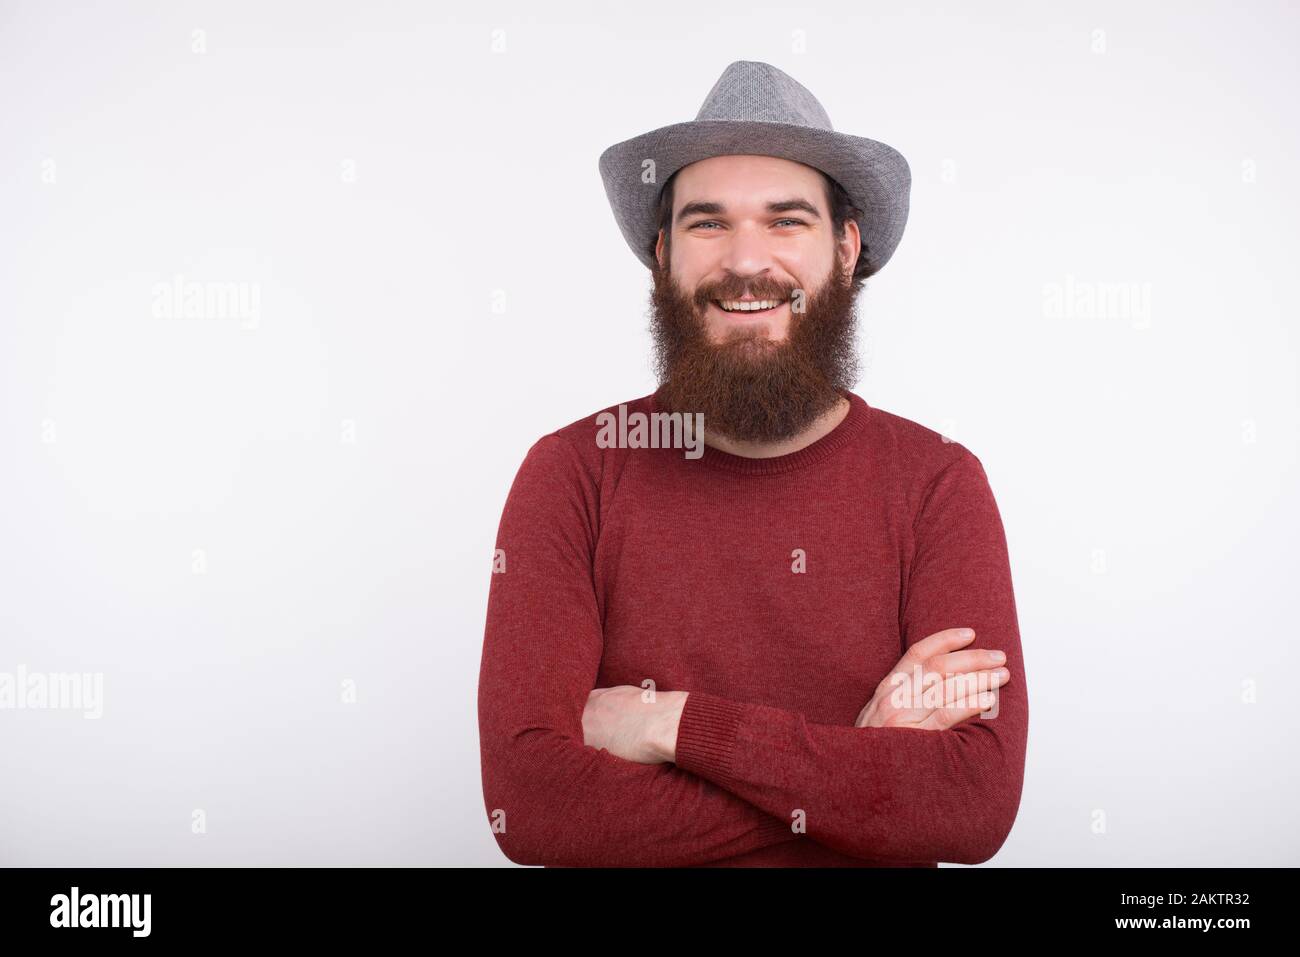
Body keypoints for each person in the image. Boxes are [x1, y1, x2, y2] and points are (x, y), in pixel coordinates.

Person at [477, 60, 1027, 867]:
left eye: (786, 221)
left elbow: (970, 803)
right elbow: (526, 806)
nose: (744, 261)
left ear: (845, 249)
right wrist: (855, 763)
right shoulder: (573, 476)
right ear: (663, 254)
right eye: (707, 223)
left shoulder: (938, 484)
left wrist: (672, 724)